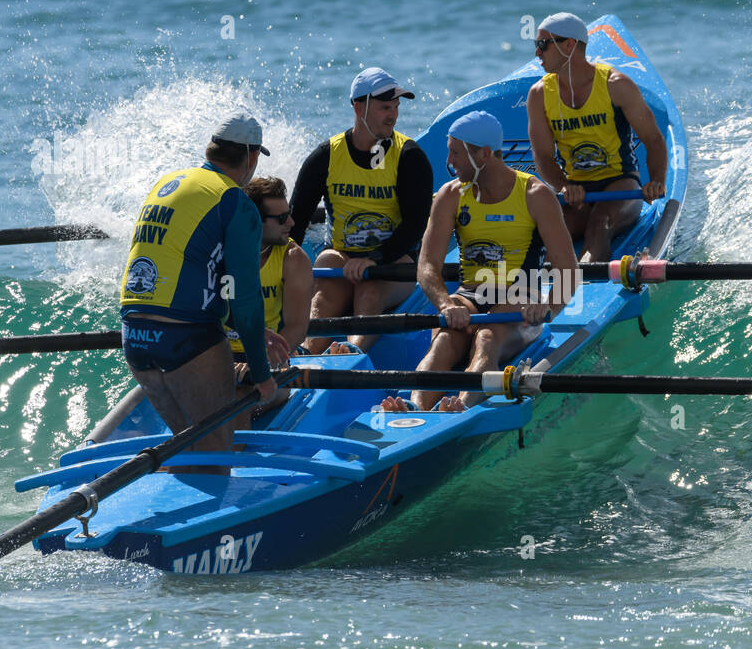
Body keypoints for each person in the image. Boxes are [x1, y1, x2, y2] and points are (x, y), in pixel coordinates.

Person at [120, 112, 290, 474]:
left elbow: (188, 268)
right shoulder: (236, 202)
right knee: (215, 454)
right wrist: (262, 376)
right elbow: (244, 296)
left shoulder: (167, 182)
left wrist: (253, 332)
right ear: (251, 157)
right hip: (186, 338)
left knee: (187, 443)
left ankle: (171, 519)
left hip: (134, 335)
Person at [380, 111, 578, 413]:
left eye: (456, 152)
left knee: (486, 338)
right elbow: (427, 265)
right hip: (470, 296)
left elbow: (568, 270)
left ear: (484, 154)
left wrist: (548, 306)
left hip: (519, 298)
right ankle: (413, 406)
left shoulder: (535, 195)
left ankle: (461, 405)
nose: (449, 161)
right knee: (444, 342)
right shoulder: (450, 195)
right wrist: (446, 305)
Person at [289, 67, 434, 355]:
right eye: (384, 107)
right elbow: (296, 221)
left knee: (370, 290)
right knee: (327, 276)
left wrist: (375, 259)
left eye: (396, 107)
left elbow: (415, 226)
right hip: (342, 257)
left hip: (395, 262)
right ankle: (307, 352)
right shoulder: (326, 156)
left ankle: (350, 354)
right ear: (359, 107)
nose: (392, 114)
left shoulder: (409, 157)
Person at [526, 12, 668, 261]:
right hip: (578, 188)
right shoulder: (539, 95)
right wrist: (564, 186)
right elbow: (543, 158)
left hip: (621, 184)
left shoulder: (615, 85)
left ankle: (584, 291)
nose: (537, 53)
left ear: (569, 46)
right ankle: (540, 293)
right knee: (555, 235)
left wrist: (656, 180)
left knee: (599, 225)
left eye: (542, 45)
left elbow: (654, 140)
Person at [226, 177, 312, 428]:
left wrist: (258, 361)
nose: (292, 223)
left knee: (239, 401)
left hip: (269, 360)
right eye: (282, 218)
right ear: (252, 220)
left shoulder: (293, 259)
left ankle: (218, 465)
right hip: (219, 355)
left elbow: (297, 327)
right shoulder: (220, 250)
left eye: (290, 214)